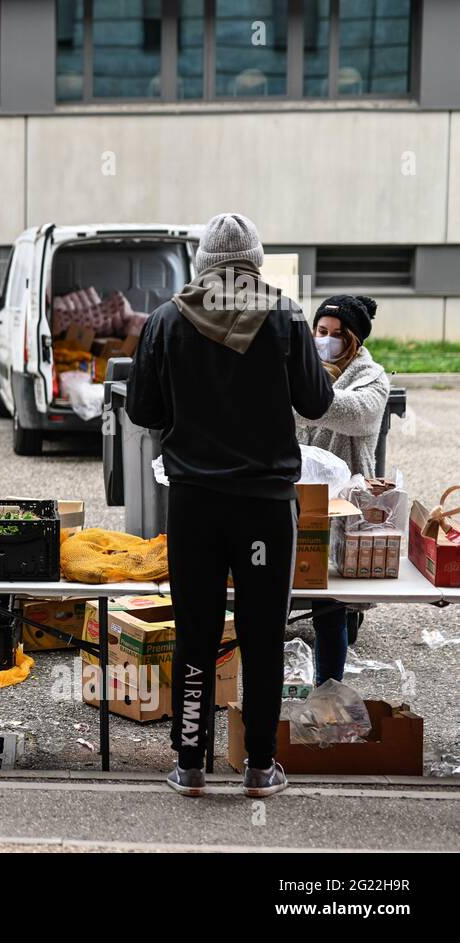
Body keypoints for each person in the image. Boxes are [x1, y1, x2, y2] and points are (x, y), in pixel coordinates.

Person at [125, 214, 333, 799]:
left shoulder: (167, 318)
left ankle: (190, 764)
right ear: (255, 259)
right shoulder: (287, 315)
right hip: (265, 505)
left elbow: (141, 410)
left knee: (195, 630)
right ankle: (260, 767)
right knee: (264, 633)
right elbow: (316, 402)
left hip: (193, 503)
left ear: (204, 261)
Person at [295, 295, 390, 684]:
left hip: (346, 505)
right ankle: (312, 692)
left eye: (337, 334)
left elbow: (353, 413)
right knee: (313, 599)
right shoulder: (301, 373)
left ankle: (327, 695)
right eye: (321, 331)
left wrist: (297, 394)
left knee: (332, 607)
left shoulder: (373, 378)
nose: (326, 340)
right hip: (303, 498)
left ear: (354, 340)